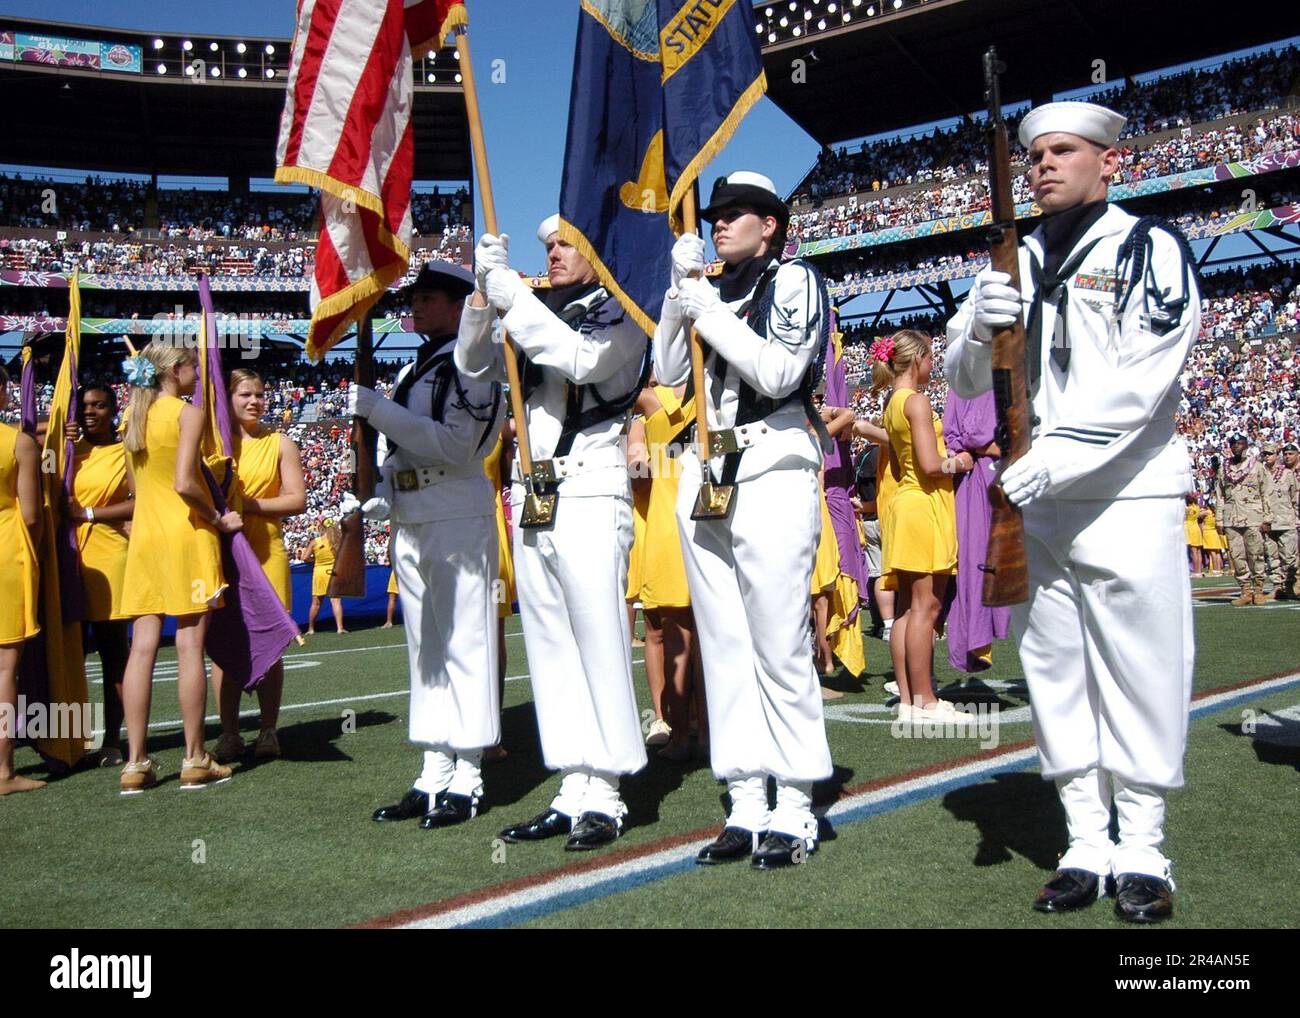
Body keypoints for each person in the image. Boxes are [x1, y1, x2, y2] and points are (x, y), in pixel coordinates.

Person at [946, 100, 1200, 922]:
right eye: (1036, 155)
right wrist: (979, 332)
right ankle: (1086, 841)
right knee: (1056, 677)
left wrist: (1050, 458)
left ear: (1107, 162)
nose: (1045, 165)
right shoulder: (1008, 261)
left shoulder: (1144, 247)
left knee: (1140, 670)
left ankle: (1145, 848)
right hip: (1039, 504)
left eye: (1064, 151)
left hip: (1121, 490)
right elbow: (961, 380)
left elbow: (1144, 375)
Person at [654, 171, 833, 868]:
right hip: (707, 472)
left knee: (778, 641)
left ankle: (795, 802)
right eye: (715, 214)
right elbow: (670, 372)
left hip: (771, 465)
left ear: (771, 224)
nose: (719, 224)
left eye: (735, 214)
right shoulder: (709, 287)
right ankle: (746, 798)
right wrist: (678, 298)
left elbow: (779, 373)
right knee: (724, 647)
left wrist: (709, 309)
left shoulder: (792, 280)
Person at [457, 215, 648, 850]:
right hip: (532, 490)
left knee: (597, 635)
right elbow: (473, 367)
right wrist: (484, 298)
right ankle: (572, 784)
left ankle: (609, 791)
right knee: (549, 644)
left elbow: (583, 360)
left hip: (591, 484)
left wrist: (516, 300)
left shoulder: (619, 312)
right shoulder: (532, 306)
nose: (554, 253)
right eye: (547, 246)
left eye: (565, 243)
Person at [349, 260, 505, 828]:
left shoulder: (474, 363)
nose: (414, 307)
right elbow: (405, 450)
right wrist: (382, 489)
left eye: (428, 297)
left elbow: (459, 446)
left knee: (464, 643)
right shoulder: (417, 367)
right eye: (414, 298)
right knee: (426, 651)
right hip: (414, 513)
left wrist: (378, 411)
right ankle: (434, 770)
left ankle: (469, 774)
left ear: (461, 305)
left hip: (455, 512)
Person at [118, 340, 242, 794]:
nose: (198, 373)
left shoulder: (131, 417)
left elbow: (137, 490)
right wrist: (217, 518)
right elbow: (185, 482)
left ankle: (135, 762)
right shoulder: (187, 413)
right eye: (193, 365)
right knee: (190, 646)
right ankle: (194, 756)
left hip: (145, 538)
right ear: (174, 371)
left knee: (142, 648)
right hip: (186, 534)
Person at [211, 368, 306, 763]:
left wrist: (248, 506)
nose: (254, 401)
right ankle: (230, 733)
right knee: (223, 642)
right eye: (245, 394)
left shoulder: (281, 443)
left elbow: (295, 500)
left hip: (268, 552)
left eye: (260, 394)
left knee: (270, 642)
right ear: (227, 399)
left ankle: (268, 729)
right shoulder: (214, 444)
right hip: (223, 553)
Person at [872, 331, 960, 721]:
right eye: (930, 358)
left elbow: (898, 464)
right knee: (927, 607)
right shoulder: (917, 401)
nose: (933, 365)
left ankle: (910, 701)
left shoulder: (893, 401)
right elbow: (930, 463)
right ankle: (927, 700)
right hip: (923, 505)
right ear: (919, 358)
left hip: (903, 505)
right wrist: (958, 461)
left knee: (909, 609)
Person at [68, 382, 134, 767]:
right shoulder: (65, 451)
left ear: (113, 410)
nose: (90, 412)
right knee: (69, 656)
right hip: (70, 561)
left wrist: (89, 513)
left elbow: (137, 502)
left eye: (99, 406)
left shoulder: (125, 450)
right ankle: (69, 741)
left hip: (111, 560)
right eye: (84, 406)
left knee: (114, 657)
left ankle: (112, 740)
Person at [637, 382, 702, 759]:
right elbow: (634, 456)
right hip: (679, 516)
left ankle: (695, 731)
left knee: (692, 634)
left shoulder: (702, 387)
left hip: (686, 514)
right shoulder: (646, 398)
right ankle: (681, 729)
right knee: (677, 632)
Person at [941, 389, 1011, 673]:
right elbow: (977, 436)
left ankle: (916, 687)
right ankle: (918, 691)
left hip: (972, 480)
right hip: (978, 481)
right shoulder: (914, 401)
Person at [0, 366, 43, 796]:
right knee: (5, 669)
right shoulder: (18, 443)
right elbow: (30, 515)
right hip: (6, 552)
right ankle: (3, 769)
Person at [1215, 434, 1273, 607]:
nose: (1237, 447)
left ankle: (1259, 590)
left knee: (1256, 554)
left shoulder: (1257, 467)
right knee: (1237, 556)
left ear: (1246, 446)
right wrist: (1219, 519)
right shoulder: (1224, 469)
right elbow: (1220, 496)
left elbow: (1266, 493)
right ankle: (1245, 590)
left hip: (1253, 517)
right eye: (1234, 444)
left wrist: (1268, 518)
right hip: (1231, 518)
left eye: (1240, 444)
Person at [1260, 442, 1297, 600]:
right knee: (1272, 557)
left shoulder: (1287, 474)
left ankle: (1289, 587)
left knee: (1289, 556)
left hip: (1286, 520)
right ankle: (1277, 587)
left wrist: (1296, 517)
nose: (1267, 457)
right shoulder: (1260, 473)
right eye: (1265, 454)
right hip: (1267, 522)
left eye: (1270, 454)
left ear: (1276, 455)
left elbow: (1295, 497)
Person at [301, 518, 346, 633]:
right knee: (336, 601)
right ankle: (340, 628)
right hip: (333, 572)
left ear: (322, 527)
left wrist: (314, 560)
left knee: (316, 603)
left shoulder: (316, 542)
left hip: (320, 573)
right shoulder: (338, 541)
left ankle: (311, 628)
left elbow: (305, 558)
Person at [1183, 494, 1204, 577]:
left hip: (1190, 529)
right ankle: (1199, 570)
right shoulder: (1197, 507)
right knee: (1198, 551)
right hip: (1196, 528)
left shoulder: (1188, 508)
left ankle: (1196, 571)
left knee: (1194, 551)